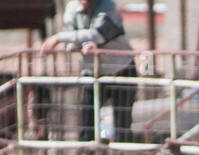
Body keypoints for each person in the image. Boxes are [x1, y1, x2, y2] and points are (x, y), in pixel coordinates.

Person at [41, 0, 137, 145]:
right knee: (87, 114)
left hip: (121, 69)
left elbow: (98, 35)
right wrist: (82, 43)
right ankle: (87, 154)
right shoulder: (72, 8)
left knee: (122, 121)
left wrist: (59, 37)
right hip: (93, 71)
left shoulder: (108, 6)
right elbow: (71, 40)